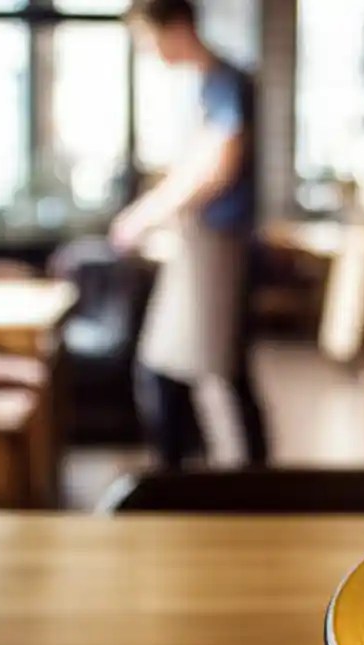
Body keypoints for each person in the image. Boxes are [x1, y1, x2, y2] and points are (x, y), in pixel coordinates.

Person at [113, 0, 270, 470]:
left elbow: (217, 166)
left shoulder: (227, 82)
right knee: (195, 368)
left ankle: (215, 480)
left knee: (204, 369)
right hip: (200, 242)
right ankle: (197, 476)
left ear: (176, 27)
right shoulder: (206, 86)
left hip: (218, 244)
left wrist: (147, 213)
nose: (149, 50)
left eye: (148, 38)